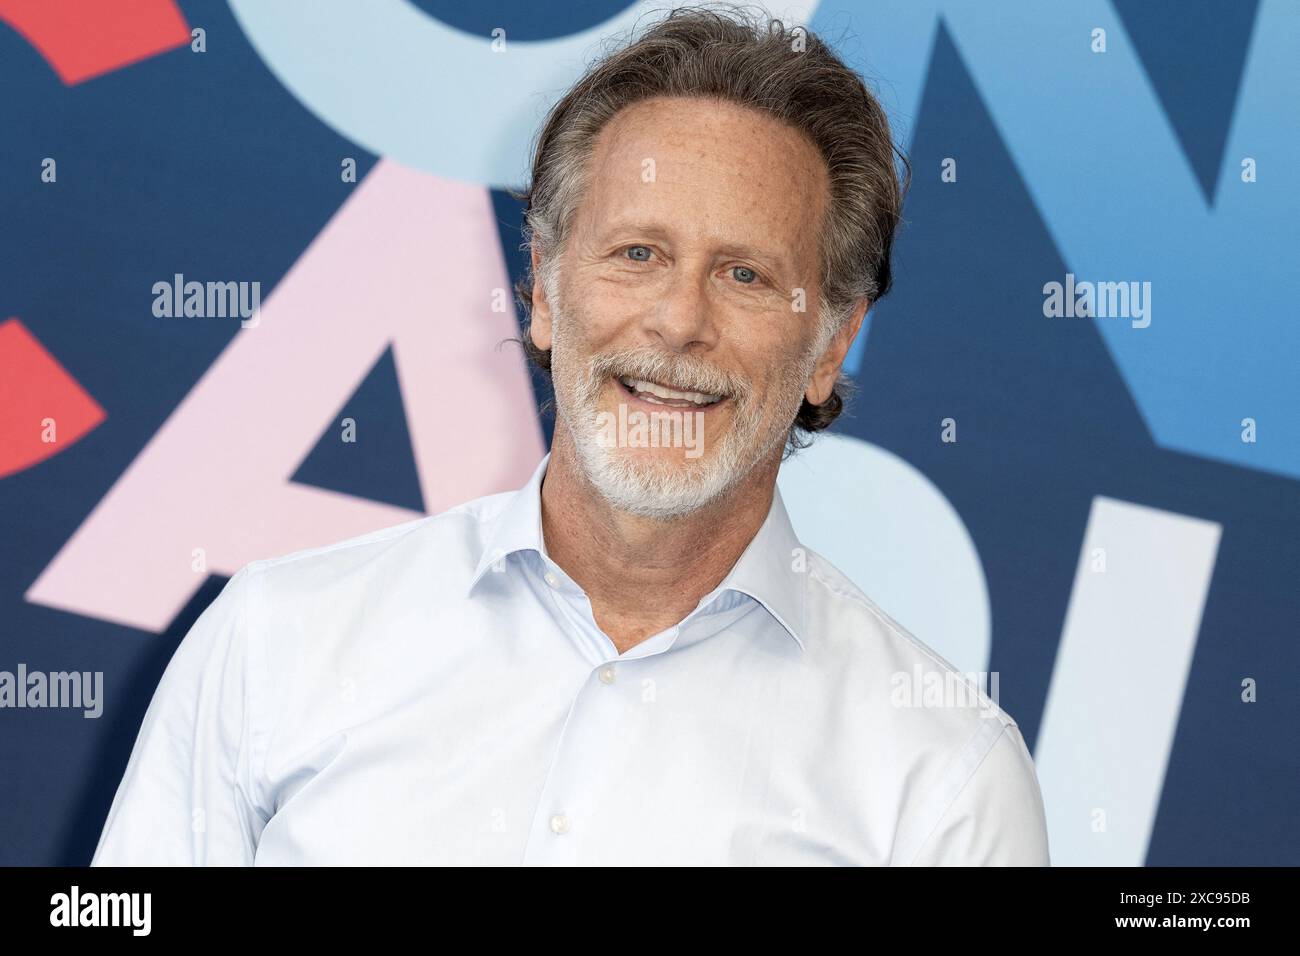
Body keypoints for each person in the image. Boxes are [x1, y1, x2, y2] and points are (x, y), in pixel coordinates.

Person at [91, 6, 1049, 866]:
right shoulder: (276, 641)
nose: (679, 322)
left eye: (746, 276)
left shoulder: (942, 781)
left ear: (831, 343)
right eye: (638, 254)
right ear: (545, 288)